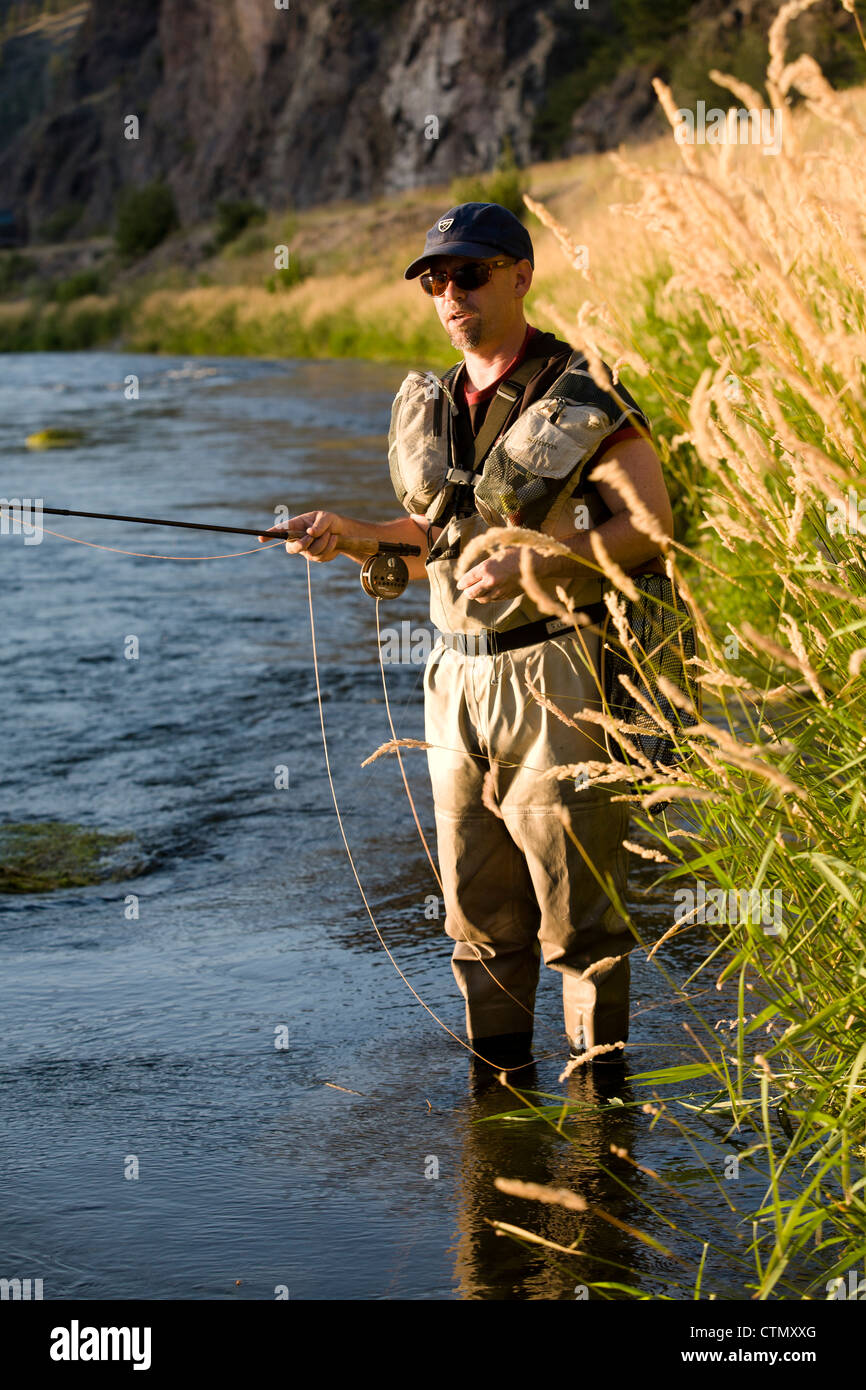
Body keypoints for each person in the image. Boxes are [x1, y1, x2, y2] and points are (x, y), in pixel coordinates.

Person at [262, 202, 674, 1069]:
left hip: (555, 674)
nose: (451, 293)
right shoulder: (437, 401)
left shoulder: (586, 387)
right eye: (435, 280)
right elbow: (431, 547)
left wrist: (543, 567)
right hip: (452, 682)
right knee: (476, 918)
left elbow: (648, 526)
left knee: (580, 919)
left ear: (520, 275)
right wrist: (353, 535)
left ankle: (602, 1132)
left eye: (471, 273)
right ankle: (500, 1106)